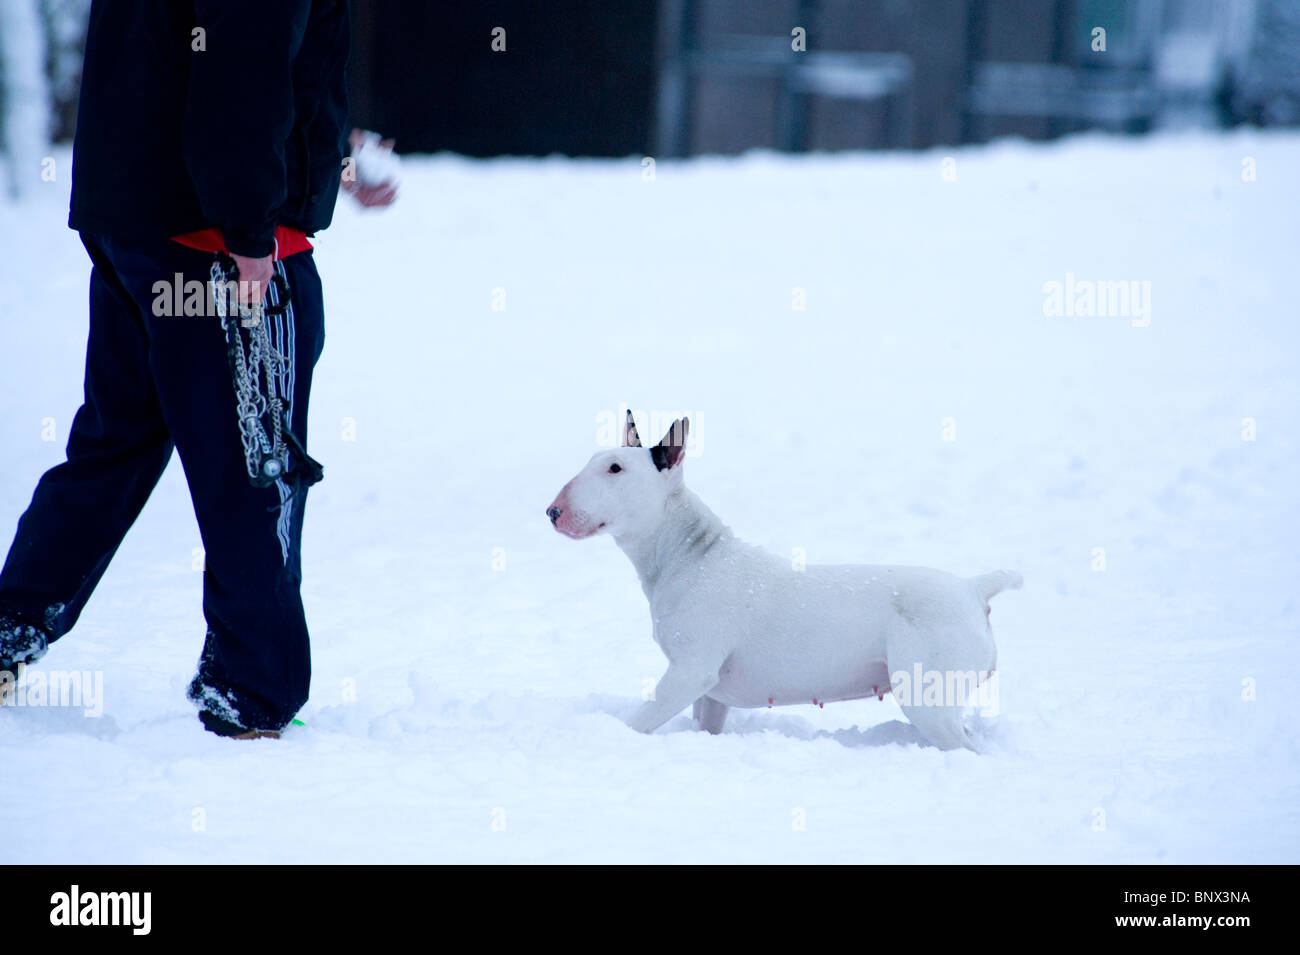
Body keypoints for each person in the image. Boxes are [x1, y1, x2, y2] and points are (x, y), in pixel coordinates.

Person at [0, 1, 390, 738]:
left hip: (136, 217)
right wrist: (248, 229)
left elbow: (197, 54)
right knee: (255, 465)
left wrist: (330, 148)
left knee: (114, 444)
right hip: (214, 237)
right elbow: (239, 69)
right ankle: (251, 690)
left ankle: (10, 625)